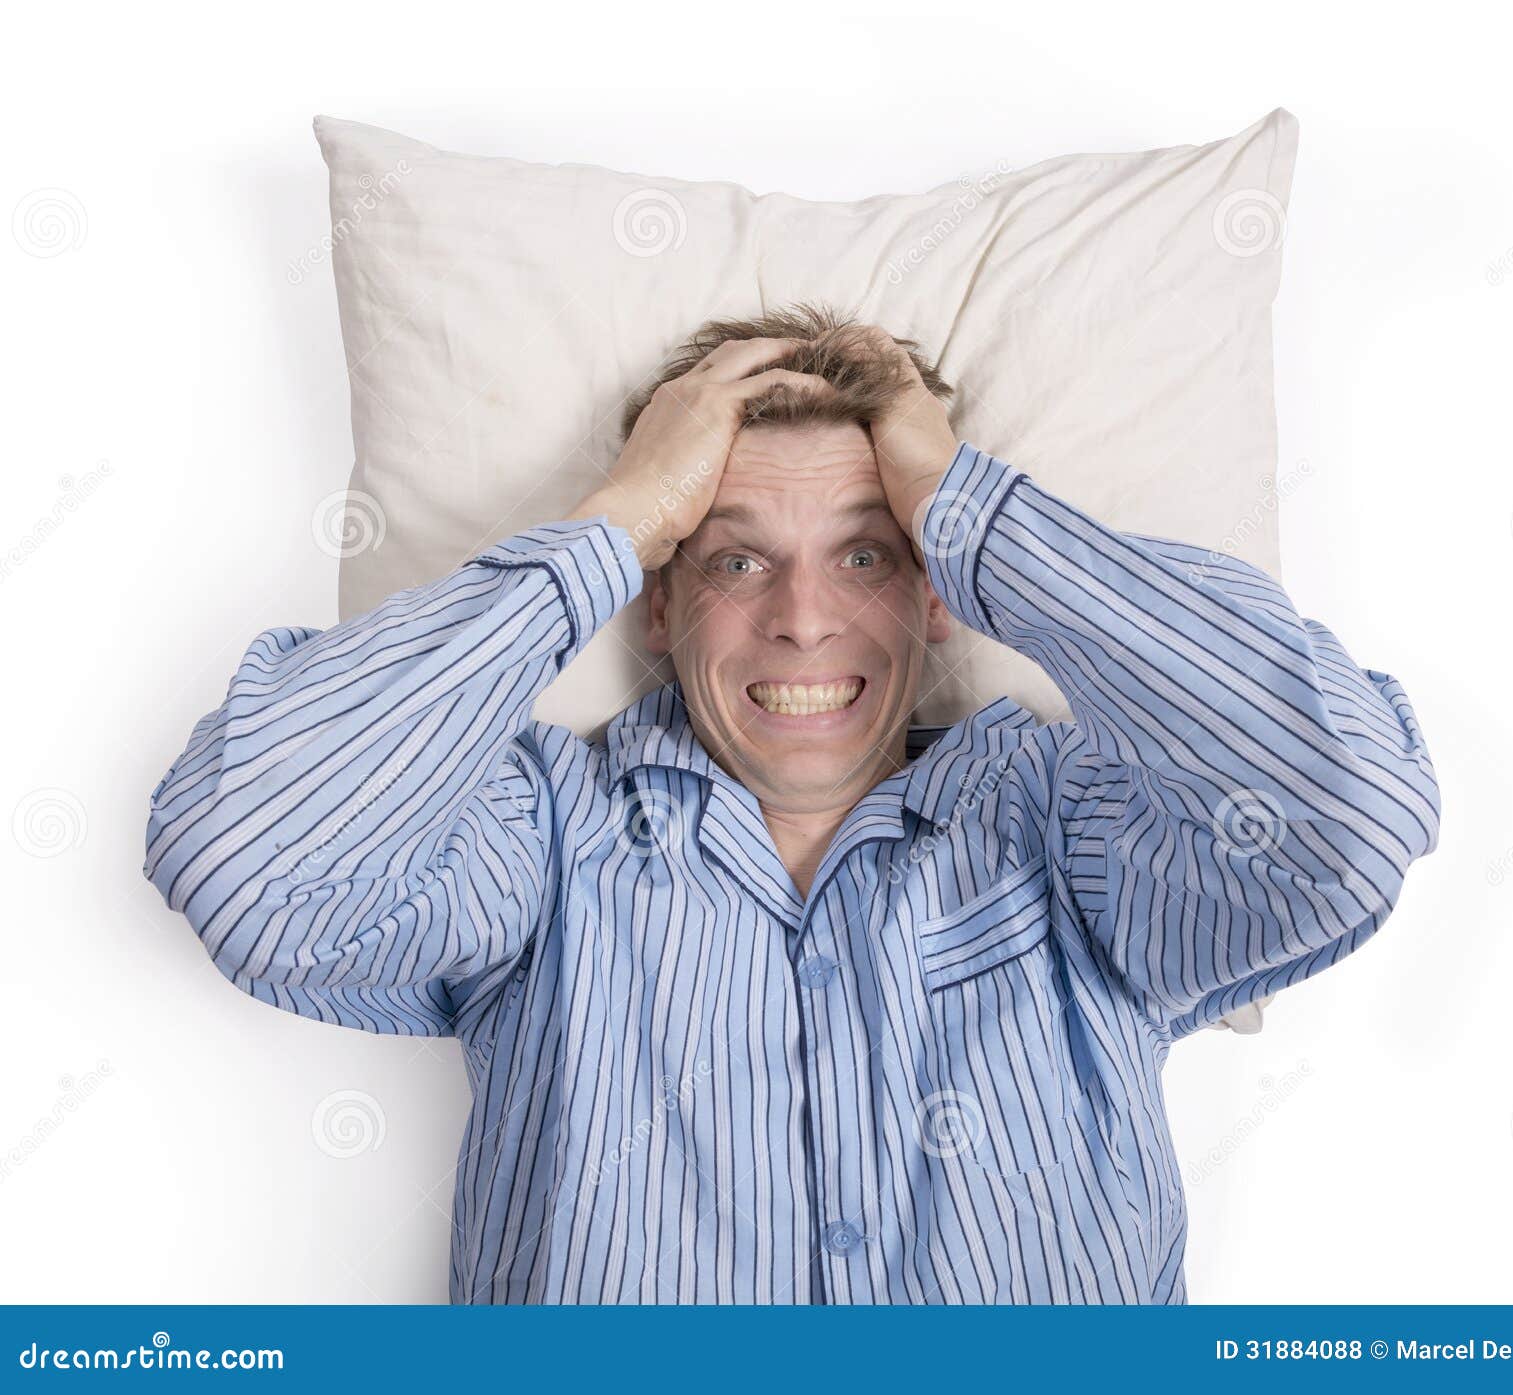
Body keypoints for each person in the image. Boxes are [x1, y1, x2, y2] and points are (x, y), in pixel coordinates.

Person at [143, 304, 1441, 1304]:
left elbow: (1348, 814)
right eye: (736, 556)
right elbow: (250, 856)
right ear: (662, 600)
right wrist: (615, 521)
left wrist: (972, 510)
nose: (805, 619)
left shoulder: (1071, 817)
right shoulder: (542, 834)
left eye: (869, 552)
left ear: (937, 587)